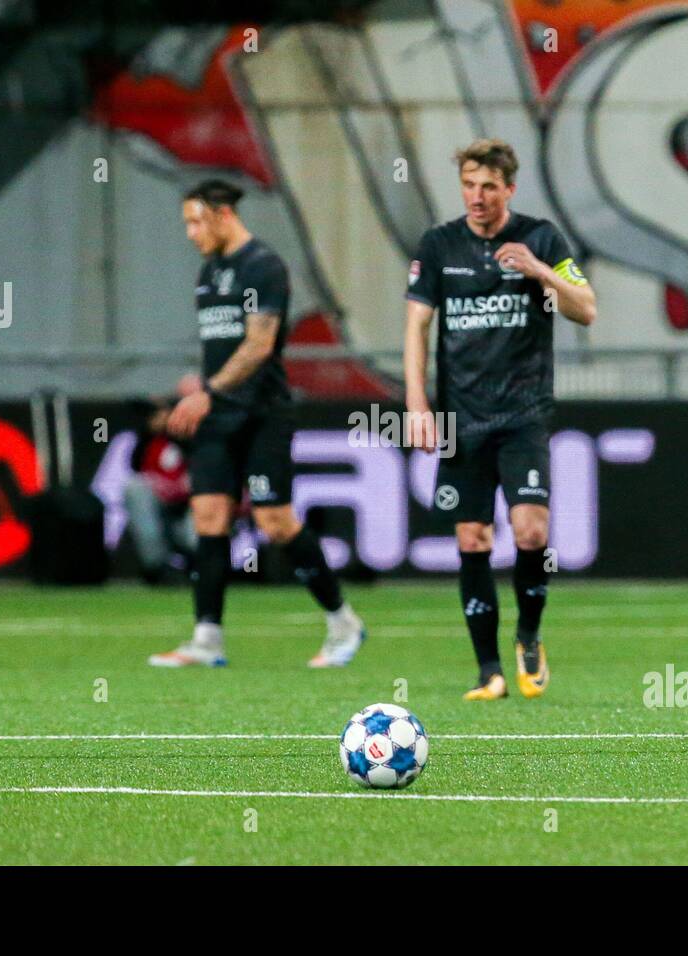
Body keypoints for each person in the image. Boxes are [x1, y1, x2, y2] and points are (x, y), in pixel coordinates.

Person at [403, 139, 597, 701]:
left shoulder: (540, 237)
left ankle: (529, 636)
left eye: (489, 186)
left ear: (509, 189)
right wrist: (418, 405)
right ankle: (488, 670)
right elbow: (416, 326)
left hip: (523, 414)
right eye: (469, 184)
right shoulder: (439, 245)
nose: (477, 196)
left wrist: (540, 271)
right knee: (472, 535)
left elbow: (586, 308)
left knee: (532, 530)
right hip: (462, 418)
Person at [148, 180, 365, 669]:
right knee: (208, 518)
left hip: (261, 415)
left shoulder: (263, 267)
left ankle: (343, 621)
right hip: (216, 417)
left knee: (274, 521)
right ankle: (207, 638)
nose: (189, 233)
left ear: (224, 215)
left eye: (196, 220)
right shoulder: (209, 273)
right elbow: (223, 346)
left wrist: (210, 391)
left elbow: (260, 345)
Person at [123, 397, 195, 585]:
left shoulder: (192, 438)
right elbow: (135, 466)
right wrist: (150, 431)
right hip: (158, 505)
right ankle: (157, 567)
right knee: (135, 487)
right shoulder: (147, 440)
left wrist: (176, 431)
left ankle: (202, 565)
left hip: (190, 503)